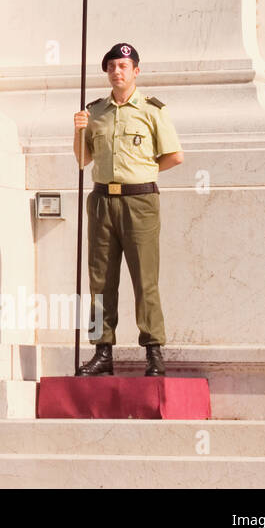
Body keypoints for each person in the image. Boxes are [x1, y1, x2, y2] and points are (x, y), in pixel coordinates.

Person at [72, 43, 183, 377]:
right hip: (102, 200)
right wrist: (78, 130)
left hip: (140, 201)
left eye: (123, 66)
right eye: (111, 67)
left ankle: (153, 351)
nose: (117, 72)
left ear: (136, 71)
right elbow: (83, 158)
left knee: (144, 278)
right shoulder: (96, 112)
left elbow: (174, 155)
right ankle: (102, 351)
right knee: (99, 280)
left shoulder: (152, 110)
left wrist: (142, 174)